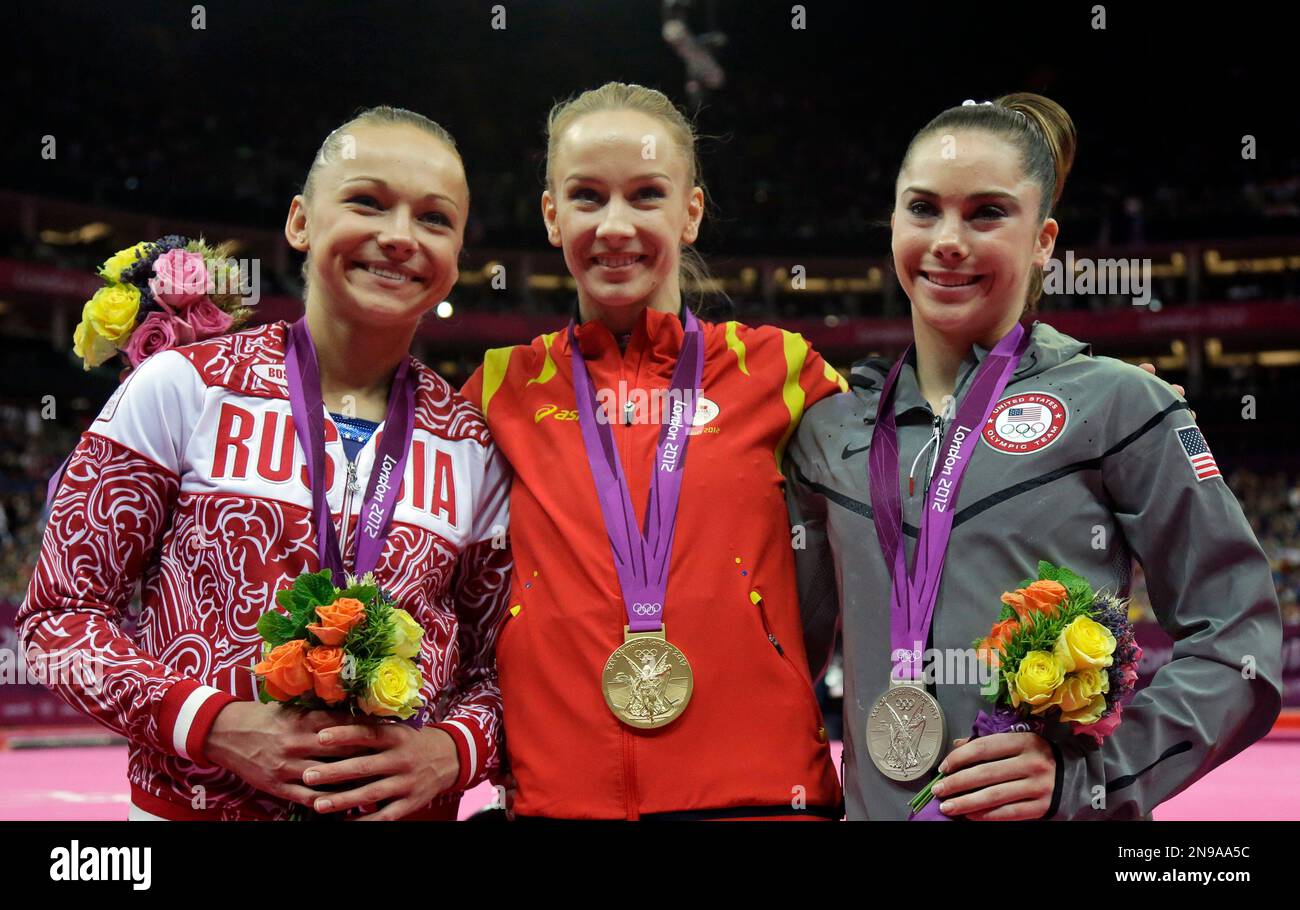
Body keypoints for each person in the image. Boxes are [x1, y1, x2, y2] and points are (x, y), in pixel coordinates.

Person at [787, 93, 1283, 820]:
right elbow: (779, 663)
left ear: (1045, 240)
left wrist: (1091, 779)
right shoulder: (828, 432)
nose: (948, 239)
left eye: (987, 213)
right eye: (922, 209)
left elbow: (1239, 645)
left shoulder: (1120, 406)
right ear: (892, 223)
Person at [19, 106, 513, 820]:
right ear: (300, 223)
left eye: (434, 219)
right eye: (367, 202)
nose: (399, 237)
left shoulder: (472, 443)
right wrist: (210, 724)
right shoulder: (183, 387)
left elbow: (508, 667)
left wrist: (451, 751)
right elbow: (58, 619)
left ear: (458, 254)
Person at [461, 83, 843, 820]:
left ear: (689, 212)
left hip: (759, 795)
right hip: (559, 801)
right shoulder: (499, 387)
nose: (614, 226)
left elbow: (911, 500)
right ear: (551, 216)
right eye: (585, 197)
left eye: (644, 195)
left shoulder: (784, 372)